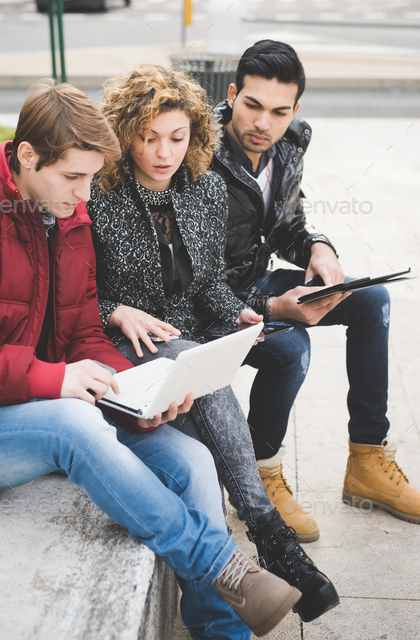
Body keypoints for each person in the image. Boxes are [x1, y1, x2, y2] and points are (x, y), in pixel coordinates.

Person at [0, 79, 302, 640]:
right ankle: (222, 567)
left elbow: (82, 331)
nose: (85, 196)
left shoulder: (68, 216)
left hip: (47, 397)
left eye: (90, 178)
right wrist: (49, 377)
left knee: (194, 460)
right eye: (73, 177)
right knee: (73, 423)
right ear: (27, 156)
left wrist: (136, 395)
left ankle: (222, 630)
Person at [88, 64, 339, 624]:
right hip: (120, 346)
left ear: (194, 137)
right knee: (197, 383)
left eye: (177, 138)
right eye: (148, 137)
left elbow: (207, 286)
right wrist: (115, 310)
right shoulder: (98, 194)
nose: (162, 152)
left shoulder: (203, 189)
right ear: (126, 132)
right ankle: (268, 531)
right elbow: (72, 297)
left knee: (221, 377)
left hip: (186, 340)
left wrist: (240, 312)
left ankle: (260, 547)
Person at [211, 40, 420, 542]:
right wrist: (272, 306)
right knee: (289, 345)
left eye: (279, 111)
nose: (263, 123)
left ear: (295, 110)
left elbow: (286, 225)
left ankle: (367, 461)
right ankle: (258, 476)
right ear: (232, 95)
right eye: (252, 105)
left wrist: (319, 247)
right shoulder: (195, 152)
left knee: (371, 302)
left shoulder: (291, 142)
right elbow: (188, 277)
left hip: (255, 282)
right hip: (208, 304)